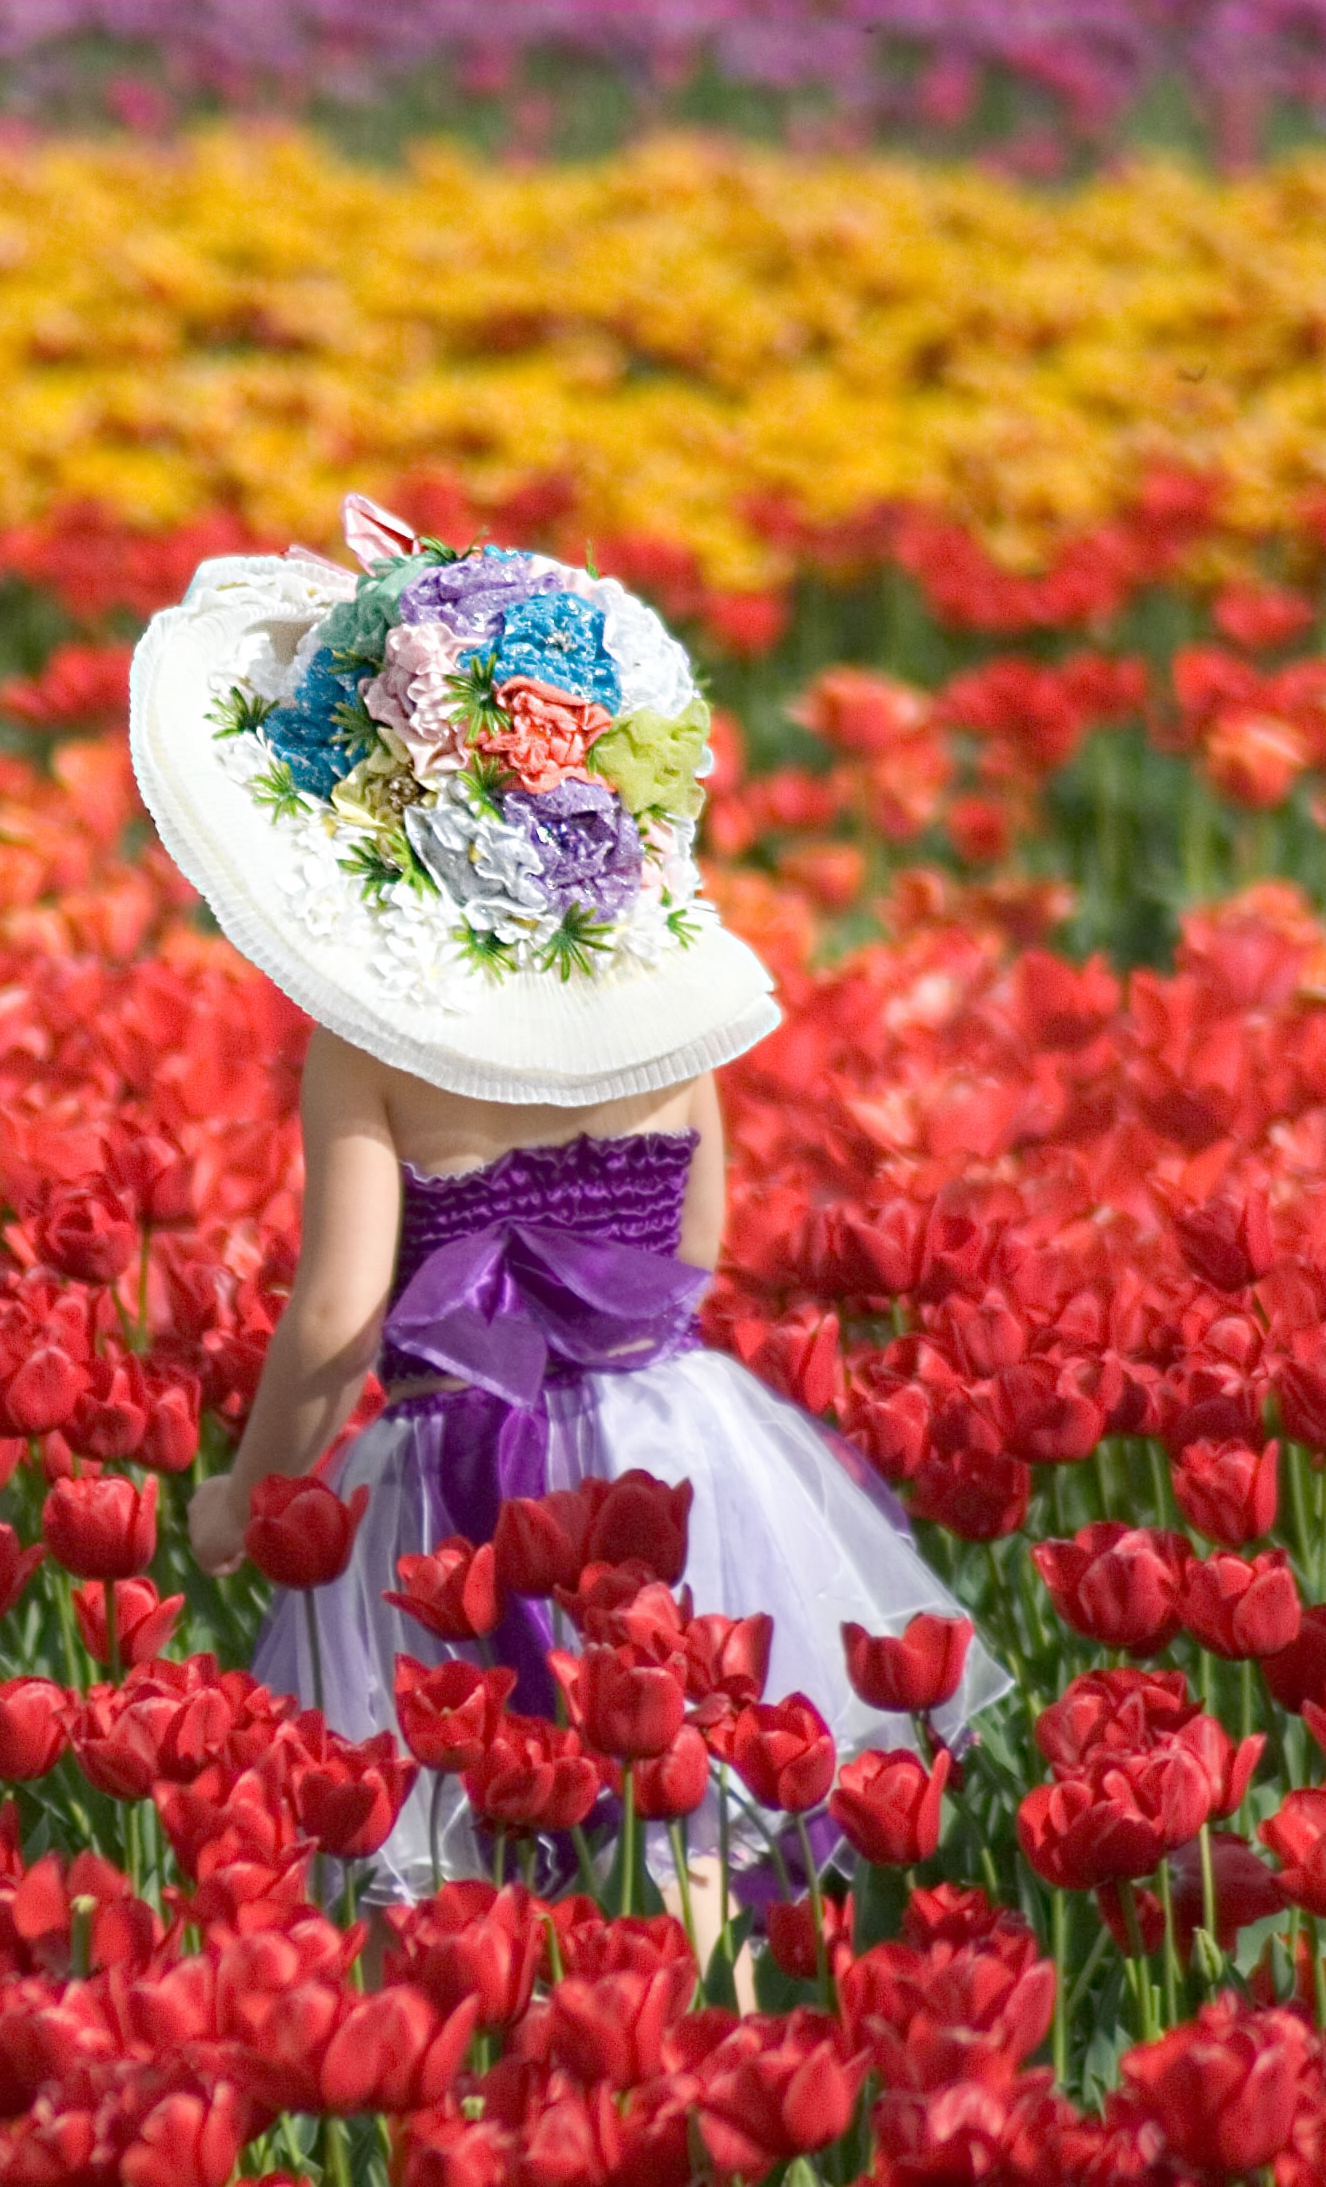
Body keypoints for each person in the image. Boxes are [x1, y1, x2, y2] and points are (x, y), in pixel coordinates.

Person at [127, 496, 1007, 1975]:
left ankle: (491, 2066)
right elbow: (696, 1247)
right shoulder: (673, 999)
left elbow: (339, 1309)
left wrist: (249, 1495)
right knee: (687, 1799)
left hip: (454, 1462)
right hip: (676, 1440)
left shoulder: (374, 1042)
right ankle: (707, 2045)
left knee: (454, 1822)